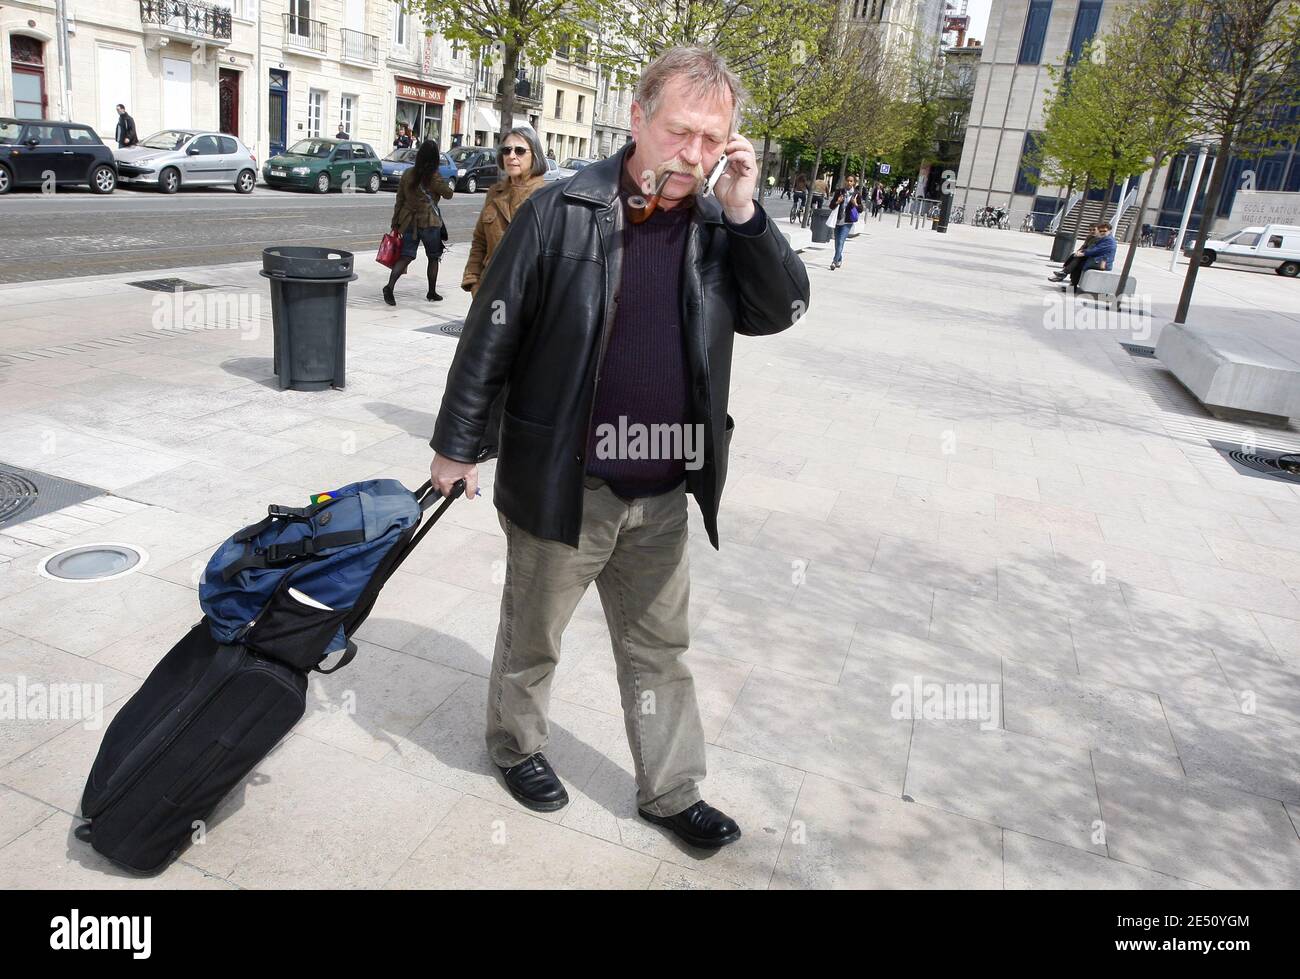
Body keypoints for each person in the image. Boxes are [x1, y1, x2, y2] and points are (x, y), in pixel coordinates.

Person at [426, 46, 810, 850]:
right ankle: (516, 746)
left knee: (660, 651)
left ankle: (670, 789)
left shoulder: (716, 226)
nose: (695, 155)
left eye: (714, 140)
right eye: (681, 132)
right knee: (532, 636)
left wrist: (745, 212)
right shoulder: (562, 209)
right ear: (638, 119)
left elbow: (780, 309)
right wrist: (457, 446)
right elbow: (489, 334)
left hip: (664, 491)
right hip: (568, 480)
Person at [461, 126, 547, 296]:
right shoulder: (494, 193)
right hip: (489, 291)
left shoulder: (545, 197)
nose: (511, 156)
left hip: (527, 297)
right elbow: (480, 241)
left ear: (534, 155)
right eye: (506, 150)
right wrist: (473, 282)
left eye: (520, 151)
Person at [384, 139, 454, 306]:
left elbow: (399, 199)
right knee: (433, 257)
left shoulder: (408, 174)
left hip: (408, 221)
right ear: (435, 158)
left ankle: (390, 286)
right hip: (430, 222)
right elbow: (449, 193)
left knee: (406, 256)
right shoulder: (434, 176)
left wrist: (395, 222)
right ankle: (431, 292)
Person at [1066, 221, 1117, 291]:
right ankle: (1067, 277)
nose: (1102, 232)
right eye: (1100, 231)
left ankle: (1067, 276)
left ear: (1110, 231)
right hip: (1097, 260)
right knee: (1076, 260)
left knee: (1077, 264)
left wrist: (1083, 253)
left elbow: (1096, 250)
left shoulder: (1109, 240)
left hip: (1102, 263)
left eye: (1104, 231)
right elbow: (1091, 248)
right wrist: (1081, 252)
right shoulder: (1103, 238)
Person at [827, 174, 862, 270]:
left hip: (847, 222)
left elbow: (860, 209)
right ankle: (839, 259)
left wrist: (855, 204)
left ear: (854, 183)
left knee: (841, 241)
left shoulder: (856, 194)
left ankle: (834, 261)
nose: (849, 182)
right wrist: (837, 201)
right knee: (837, 242)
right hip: (838, 220)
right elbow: (831, 206)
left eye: (851, 181)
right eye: (847, 180)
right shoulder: (839, 192)